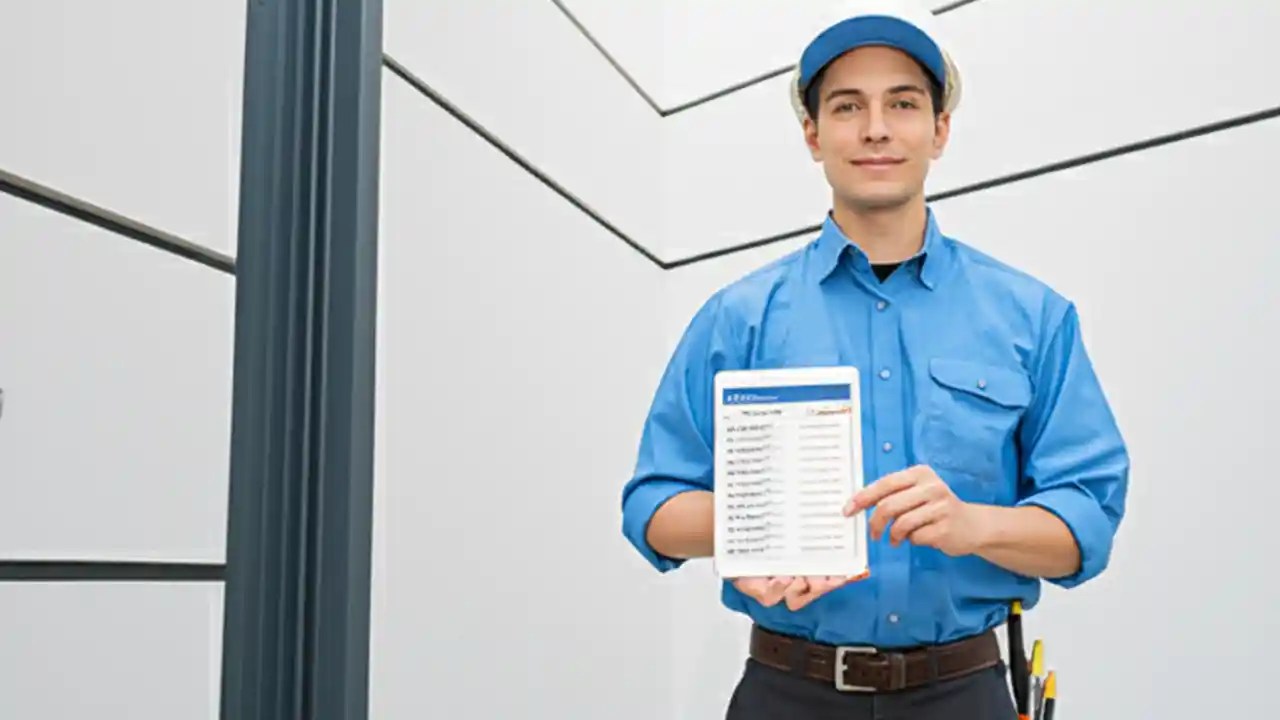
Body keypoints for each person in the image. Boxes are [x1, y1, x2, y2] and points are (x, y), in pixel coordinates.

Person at [619, 2, 1130, 718]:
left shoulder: (1034, 317)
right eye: (847, 105)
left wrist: (974, 525)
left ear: (939, 130)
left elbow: (1088, 524)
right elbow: (650, 506)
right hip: (784, 694)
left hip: (966, 695)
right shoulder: (738, 318)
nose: (876, 128)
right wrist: (754, 526)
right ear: (813, 134)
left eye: (903, 103)